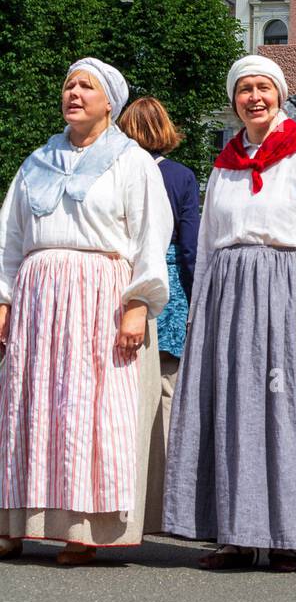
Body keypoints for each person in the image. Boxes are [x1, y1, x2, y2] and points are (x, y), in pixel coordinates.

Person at [162, 55, 296, 571]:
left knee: (284, 412)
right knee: (231, 410)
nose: (254, 97)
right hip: (229, 292)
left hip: (287, 285)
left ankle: (286, 535)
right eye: (244, 90)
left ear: (280, 95)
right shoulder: (226, 161)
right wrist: (201, 311)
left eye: (263, 87)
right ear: (234, 100)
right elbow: (213, 239)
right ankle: (235, 534)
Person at [0, 58, 172, 565]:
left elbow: (149, 238)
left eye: (86, 87)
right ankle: (13, 522)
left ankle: (85, 528)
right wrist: (3, 297)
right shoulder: (37, 162)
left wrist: (138, 305)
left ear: (109, 102)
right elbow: (9, 236)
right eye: (69, 85)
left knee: (91, 410)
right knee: (26, 407)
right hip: (37, 297)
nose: (74, 93)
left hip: (101, 295)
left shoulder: (131, 161)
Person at [118, 97, 200, 531]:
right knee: (166, 394)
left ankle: (122, 494)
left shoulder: (117, 169)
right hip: (168, 288)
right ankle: (165, 503)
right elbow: (190, 246)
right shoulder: (181, 176)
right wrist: (194, 296)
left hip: (120, 285)